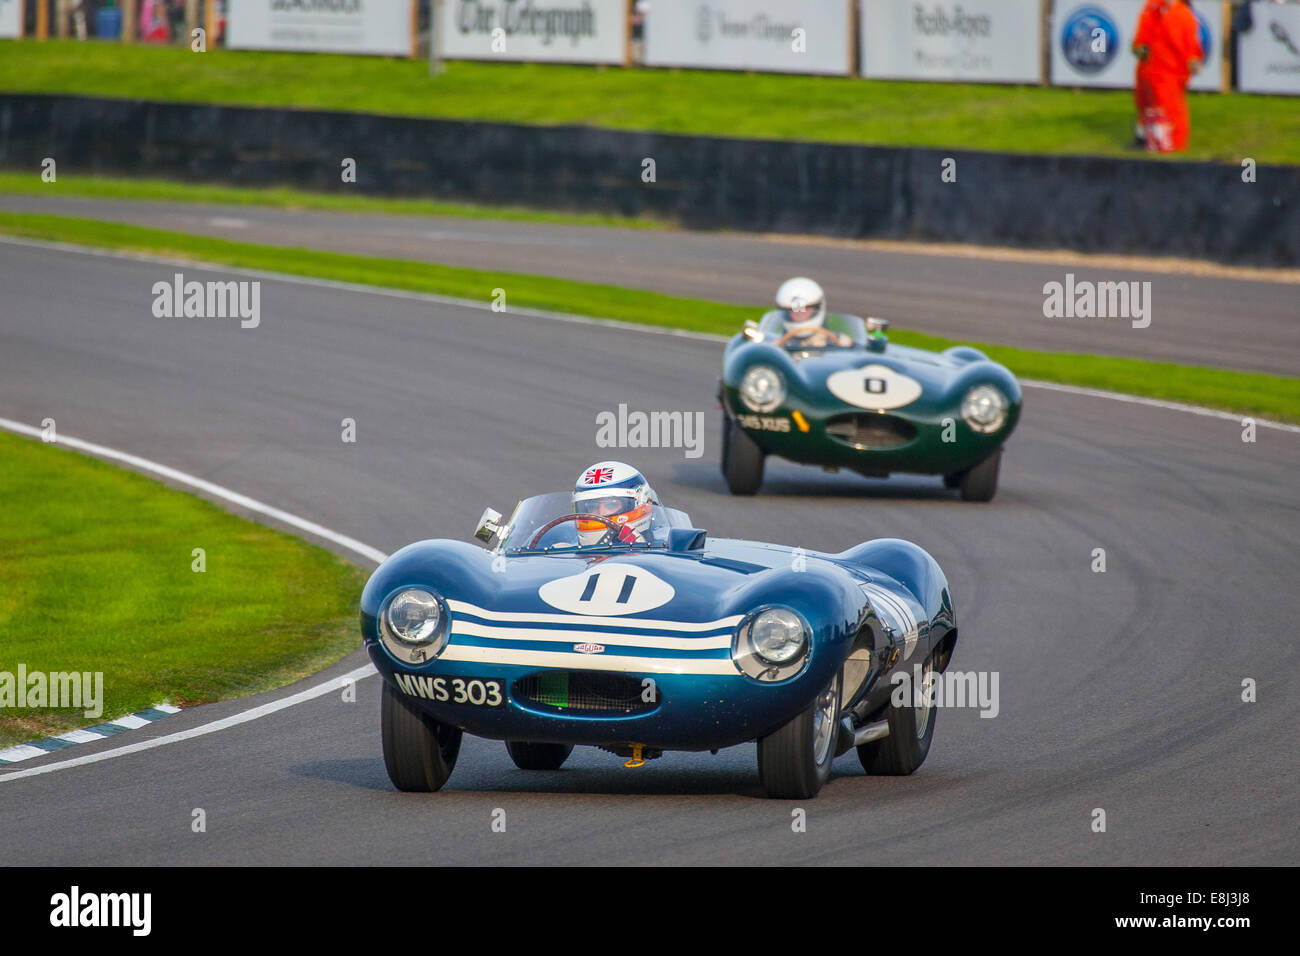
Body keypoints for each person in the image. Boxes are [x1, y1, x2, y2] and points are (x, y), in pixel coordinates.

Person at [1133, 0, 1204, 153]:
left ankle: (1174, 143)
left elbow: (1190, 45)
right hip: (1150, 67)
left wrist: (1192, 61)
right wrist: (1140, 49)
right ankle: (1148, 139)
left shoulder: (1182, 14)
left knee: (1170, 107)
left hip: (1170, 70)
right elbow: (1142, 39)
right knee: (1147, 106)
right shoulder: (1153, 8)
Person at [571, 461, 659, 546]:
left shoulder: (663, 549)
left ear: (641, 505)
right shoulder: (568, 550)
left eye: (611, 505)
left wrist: (641, 551)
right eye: (592, 506)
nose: (601, 512)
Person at [772, 277, 852, 348]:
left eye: (804, 308)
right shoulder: (776, 344)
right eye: (793, 309)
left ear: (817, 307)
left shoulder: (840, 342)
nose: (799, 313)